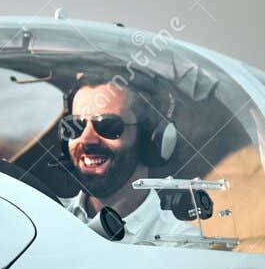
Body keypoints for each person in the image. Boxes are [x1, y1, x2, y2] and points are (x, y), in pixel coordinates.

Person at [58, 80, 199, 244]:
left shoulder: (182, 245)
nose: (86, 140)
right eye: (75, 126)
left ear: (151, 138)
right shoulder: (45, 217)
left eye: (108, 126)